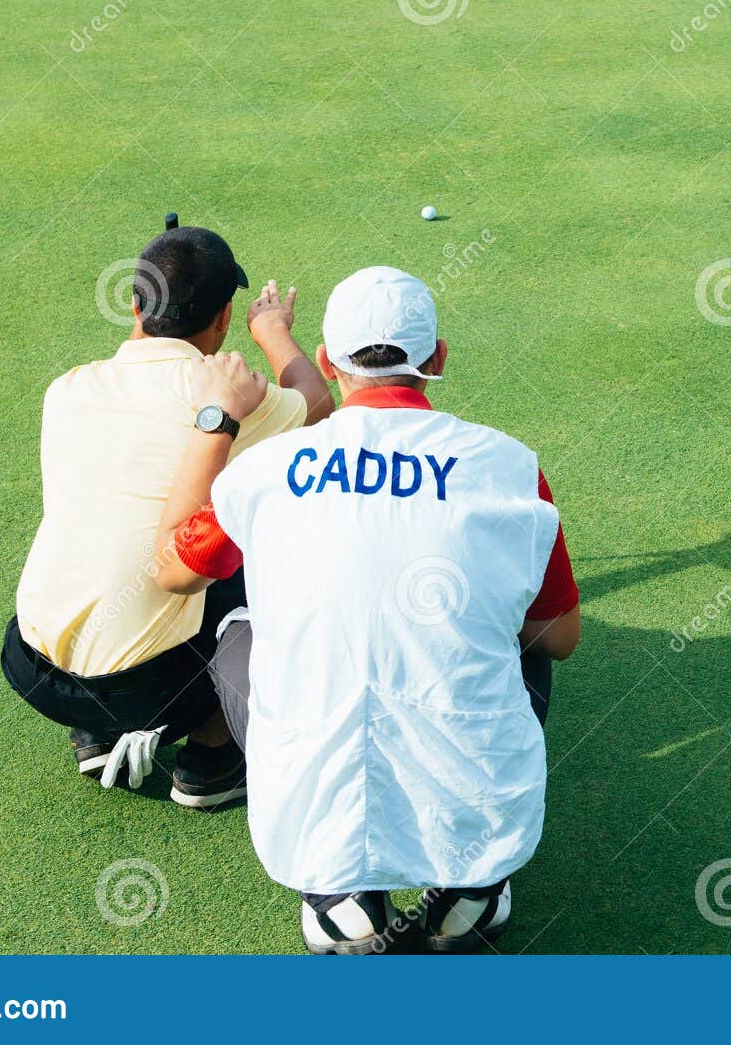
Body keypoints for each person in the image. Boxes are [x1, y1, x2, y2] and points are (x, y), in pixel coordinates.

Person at [150, 266, 580, 953]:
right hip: (480, 813)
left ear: (326, 361)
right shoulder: (511, 466)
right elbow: (561, 639)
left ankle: (339, 897)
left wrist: (216, 419)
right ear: (437, 360)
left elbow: (171, 568)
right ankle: (469, 891)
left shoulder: (263, 471)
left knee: (236, 633)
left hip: (311, 815)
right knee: (520, 638)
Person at [0, 224, 333, 808]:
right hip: (151, 687)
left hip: (32, 669)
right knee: (276, 546)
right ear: (226, 317)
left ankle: (98, 731)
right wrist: (275, 333)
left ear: (135, 302)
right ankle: (212, 750)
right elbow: (319, 407)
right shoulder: (234, 399)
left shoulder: (67, 388)